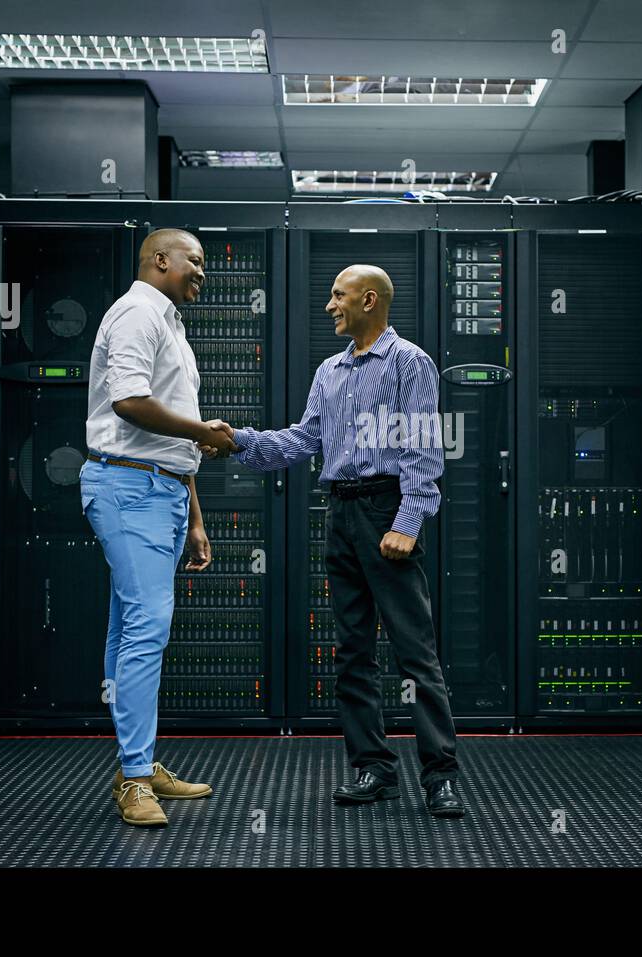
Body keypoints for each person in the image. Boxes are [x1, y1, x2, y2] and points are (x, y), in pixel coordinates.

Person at [202, 264, 465, 818]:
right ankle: (373, 769)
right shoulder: (330, 370)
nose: (330, 306)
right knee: (352, 653)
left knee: (416, 654)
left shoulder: (409, 363)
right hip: (341, 512)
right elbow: (303, 439)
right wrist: (238, 440)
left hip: (385, 509)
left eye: (338, 295)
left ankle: (441, 776)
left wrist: (408, 522)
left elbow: (423, 453)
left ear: (369, 301)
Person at [79, 228, 236, 827]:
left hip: (161, 490)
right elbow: (129, 403)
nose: (202, 272)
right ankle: (136, 778)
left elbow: (171, 435)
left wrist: (194, 516)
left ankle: (135, 764)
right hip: (126, 486)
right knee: (148, 625)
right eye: (194, 262)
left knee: (130, 626)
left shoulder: (171, 325)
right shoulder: (136, 315)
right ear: (160, 260)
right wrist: (203, 433)